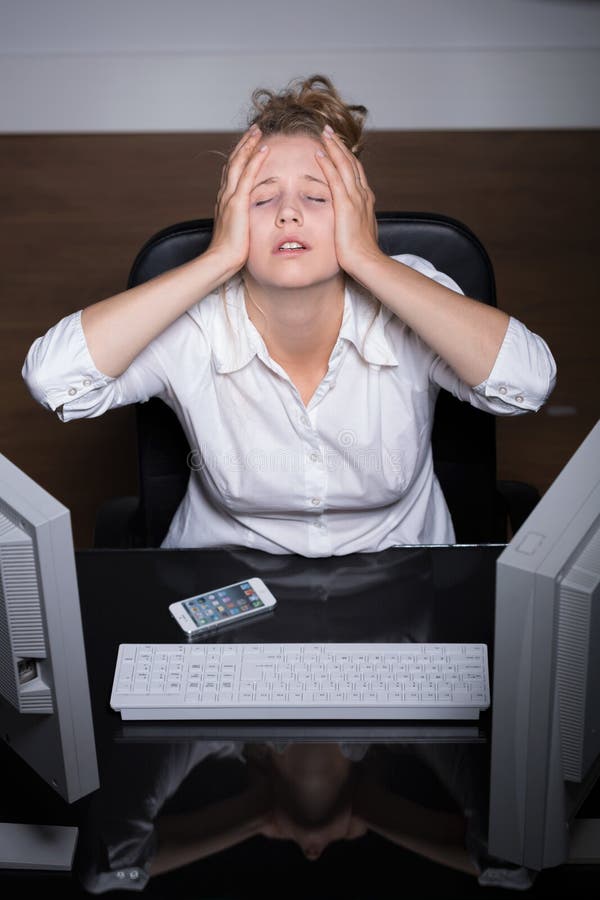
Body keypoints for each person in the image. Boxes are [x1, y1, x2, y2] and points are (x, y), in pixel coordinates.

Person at [22, 75, 556, 555]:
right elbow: (55, 380)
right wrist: (215, 259)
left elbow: (527, 383)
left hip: (404, 582)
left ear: (358, 211)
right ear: (230, 219)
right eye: (261, 199)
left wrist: (368, 257)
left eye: (317, 197)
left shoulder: (411, 289)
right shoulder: (193, 320)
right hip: (225, 580)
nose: (289, 213)